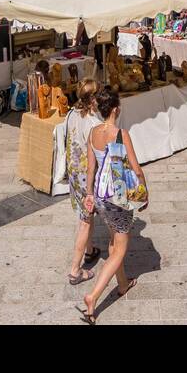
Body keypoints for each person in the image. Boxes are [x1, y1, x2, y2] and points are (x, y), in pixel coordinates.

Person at [80, 85, 147, 323]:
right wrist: (144, 192)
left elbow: (90, 168)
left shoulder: (93, 133)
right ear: (116, 109)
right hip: (117, 197)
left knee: (113, 241)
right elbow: (136, 169)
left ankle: (123, 284)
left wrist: (89, 195)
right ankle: (93, 296)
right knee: (119, 250)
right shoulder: (121, 134)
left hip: (100, 195)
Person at [64, 79, 102, 286]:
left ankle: (90, 251)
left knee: (84, 214)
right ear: (93, 99)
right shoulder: (94, 124)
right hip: (87, 176)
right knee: (85, 222)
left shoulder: (71, 114)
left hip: (74, 172)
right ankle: (75, 270)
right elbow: (95, 157)